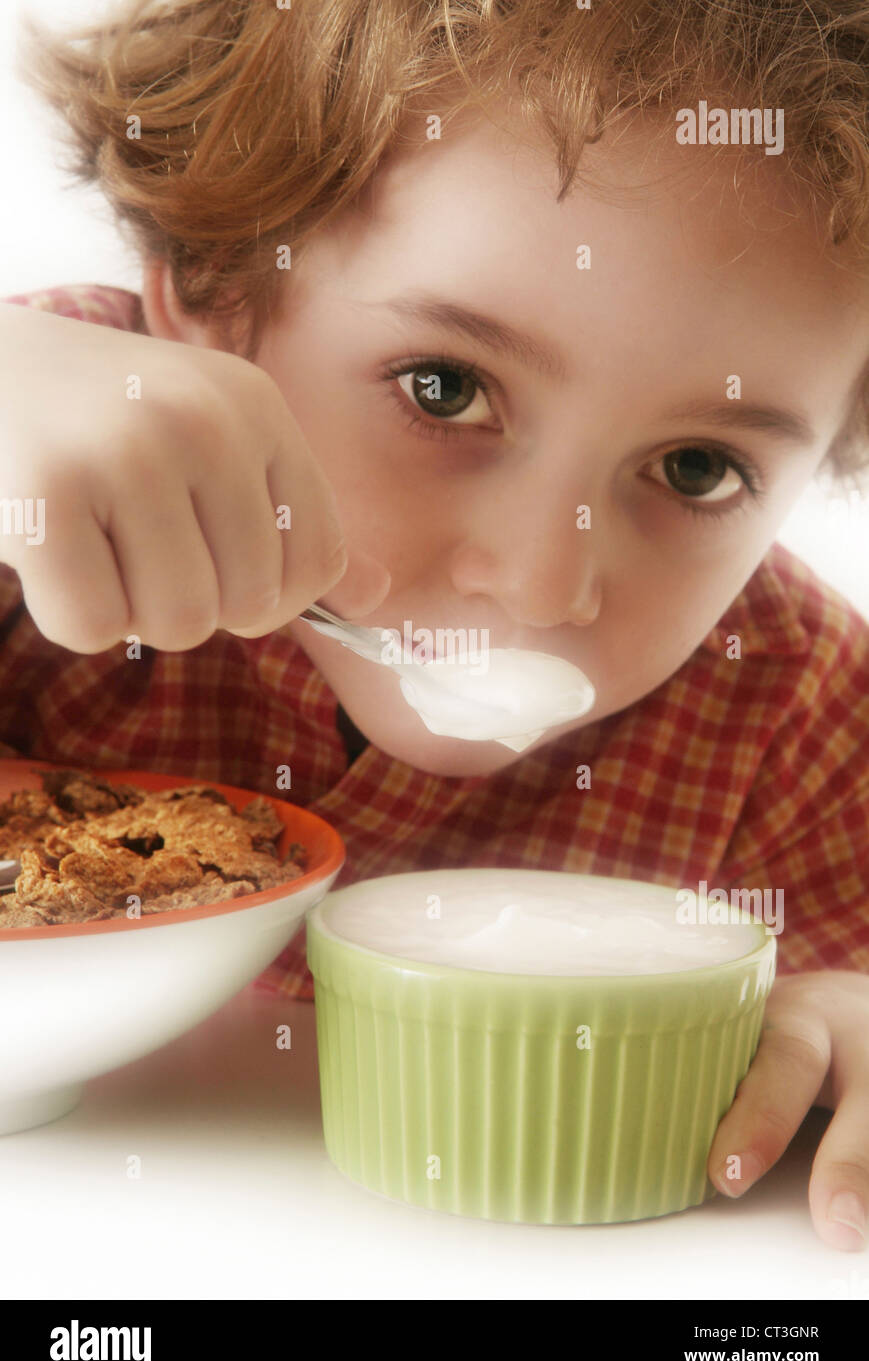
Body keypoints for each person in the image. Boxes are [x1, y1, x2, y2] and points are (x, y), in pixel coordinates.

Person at [0, 0, 867, 1251]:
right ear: (216, 285)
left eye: (693, 471)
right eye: (443, 389)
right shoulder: (48, 464)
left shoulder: (792, 717)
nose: (536, 584)